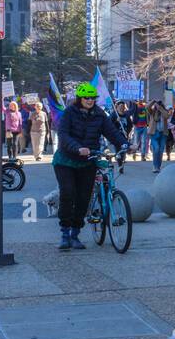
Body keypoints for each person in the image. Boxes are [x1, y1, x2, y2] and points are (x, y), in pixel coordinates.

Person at [53, 83, 128, 251]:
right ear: (80, 98)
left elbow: (112, 132)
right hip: (66, 160)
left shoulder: (99, 114)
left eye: (93, 97)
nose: (90, 100)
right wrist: (77, 148)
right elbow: (63, 135)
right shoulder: (69, 113)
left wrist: (124, 143)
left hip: (88, 159)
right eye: (87, 97)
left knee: (83, 198)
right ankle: (64, 234)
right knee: (68, 192)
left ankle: (75, 234)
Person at [147, 101, 169, 173]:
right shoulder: (152, 112)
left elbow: (167, 116)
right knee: (156, 149)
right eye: (156, 106)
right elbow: (147, 107)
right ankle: (155, 166)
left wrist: (160, 109)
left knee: (161, 150)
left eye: (159, 105)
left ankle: (158, 167)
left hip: (163, 133)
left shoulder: (164, 111)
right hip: (154, 133)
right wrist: (153, 101)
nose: (157, 107)